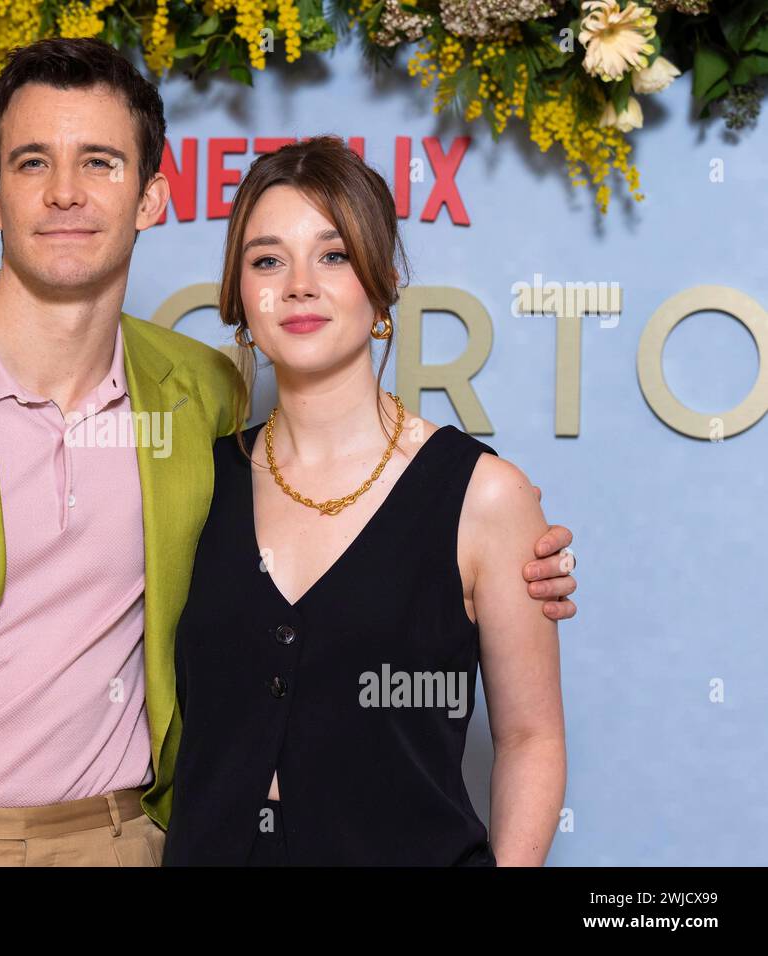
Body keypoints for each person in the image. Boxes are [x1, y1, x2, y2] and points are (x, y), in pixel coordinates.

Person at [0, 38, 578, 868]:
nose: (64, 194)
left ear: (151, 198)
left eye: (99, 162)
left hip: (122, 843)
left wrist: (502, 551)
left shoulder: (193, 396)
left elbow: (470, 672)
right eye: (31, 162)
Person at [162, 135, 568, 866]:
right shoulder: (200, 480)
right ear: (238, 297)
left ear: (379, 285)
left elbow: (531, 738)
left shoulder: (483, 494)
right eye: (266, 260)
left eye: (334, 254)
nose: (298, 285)